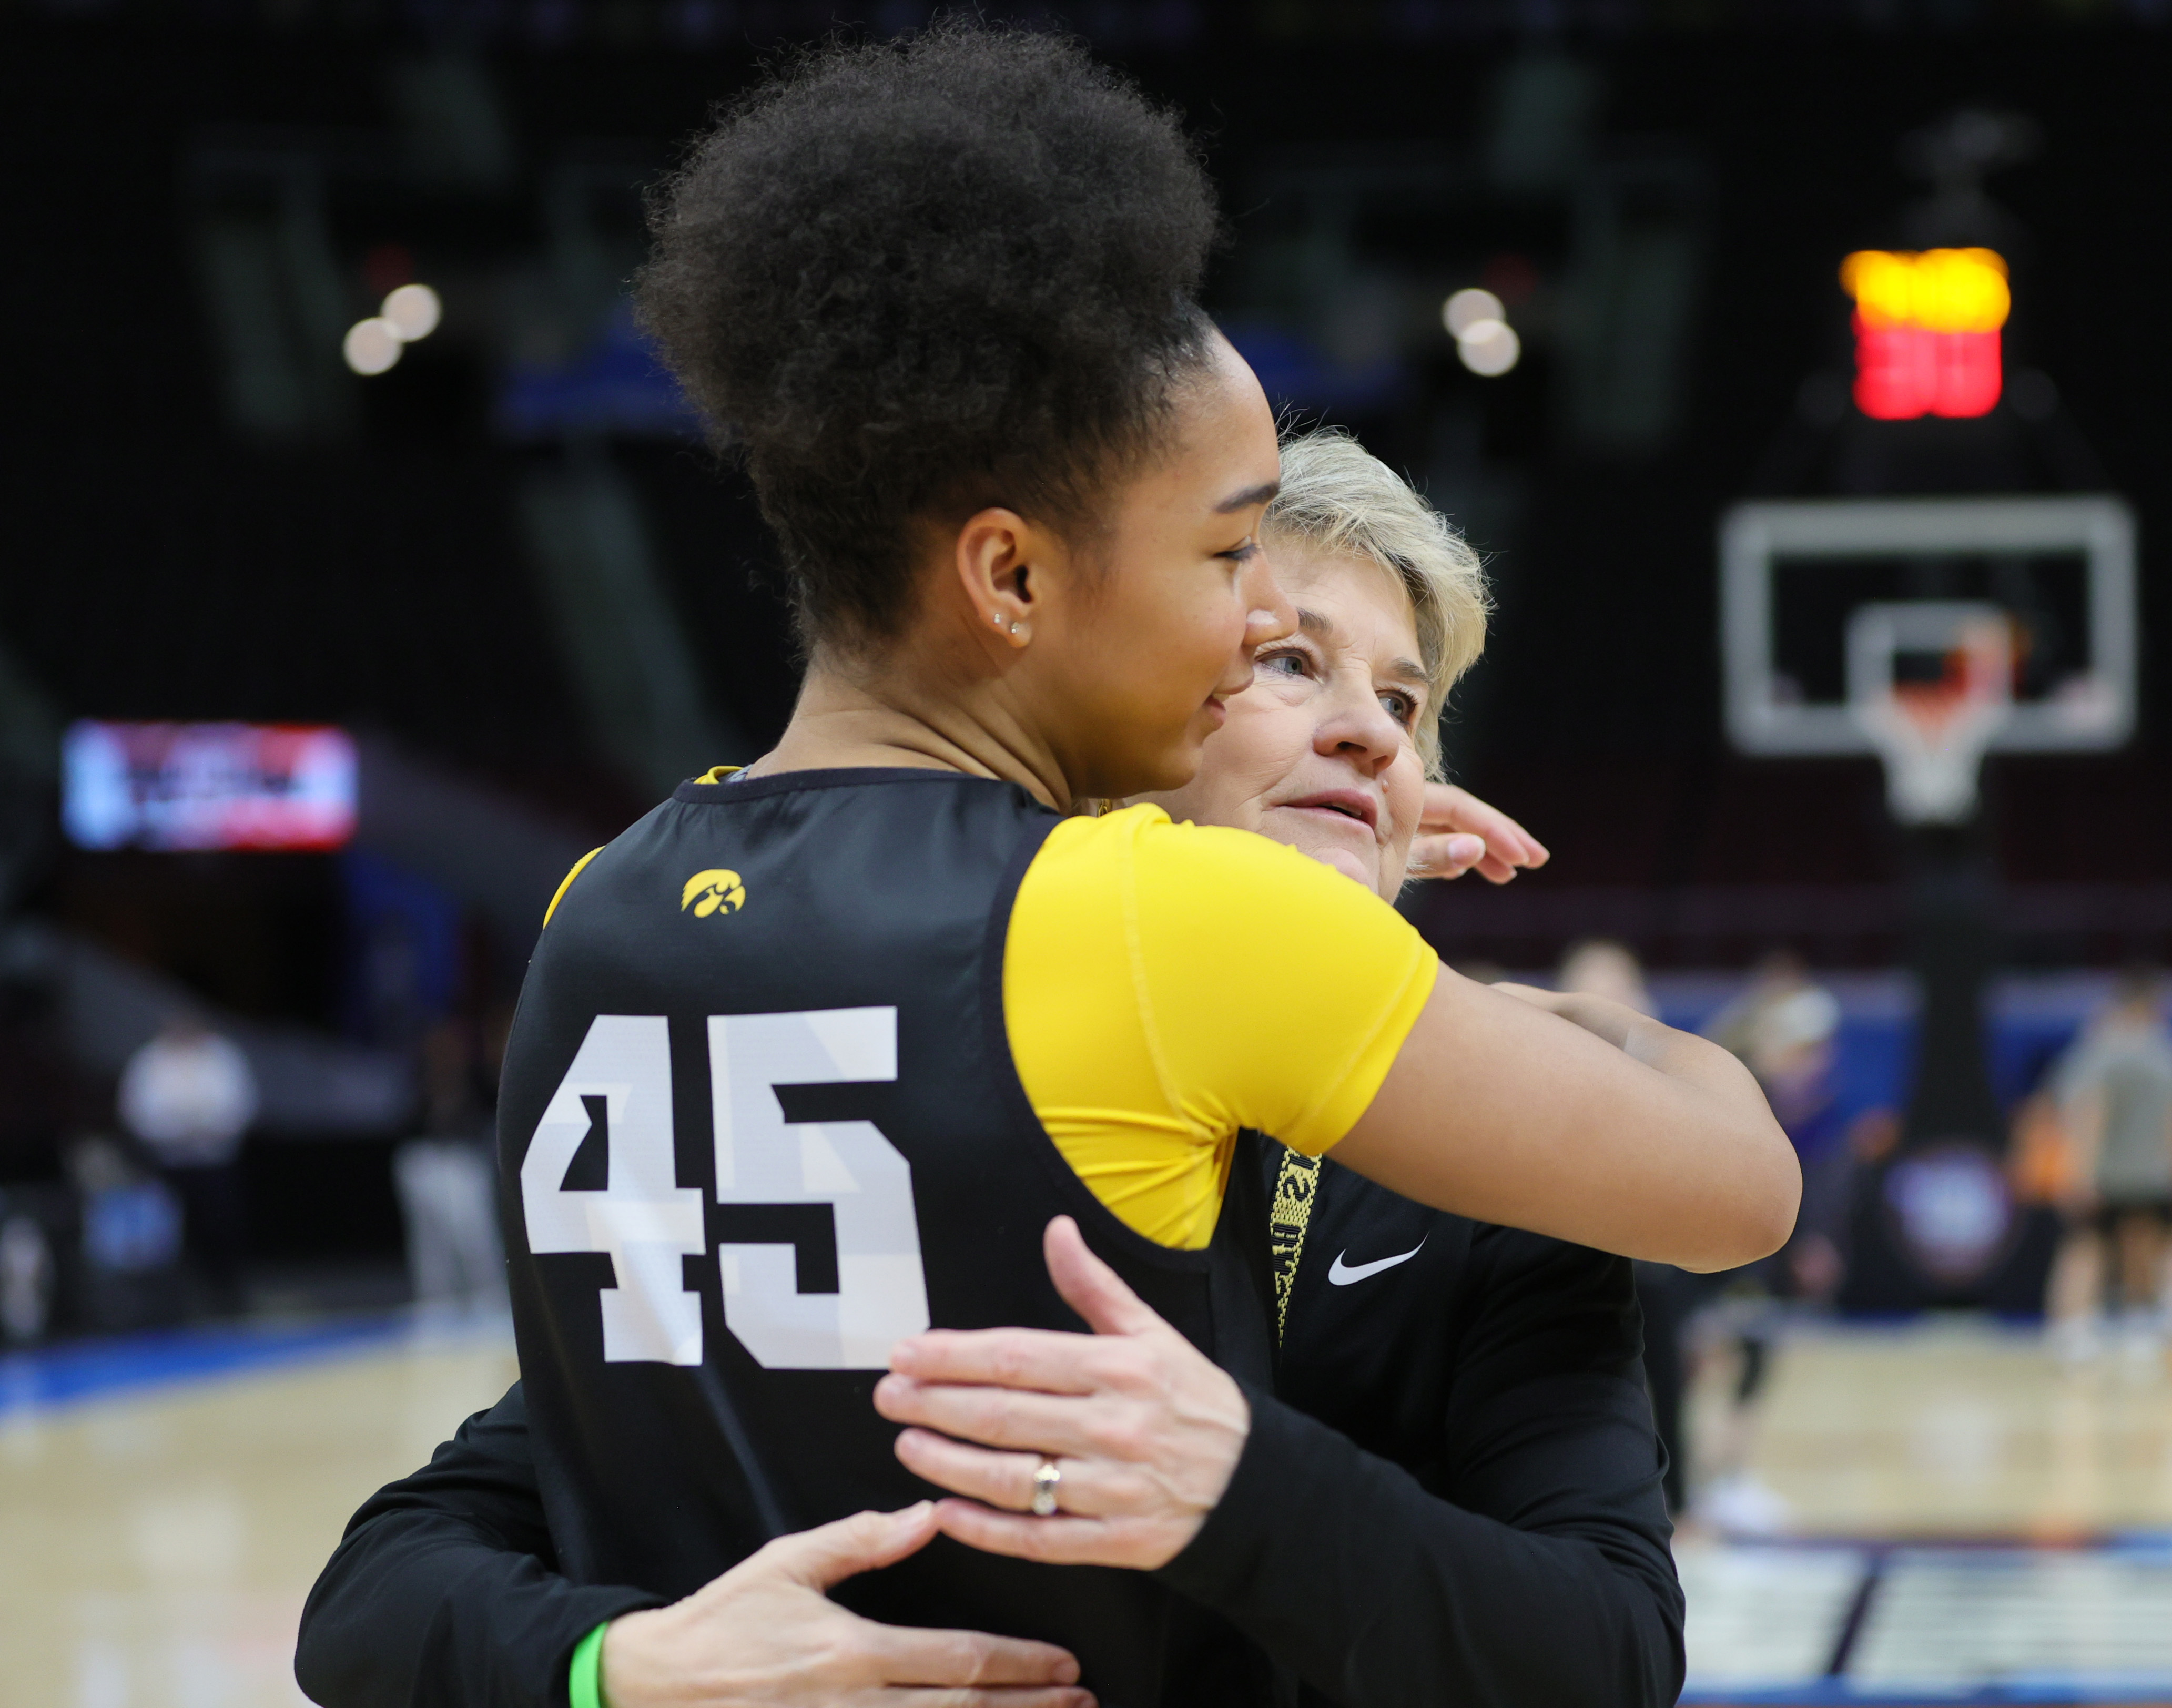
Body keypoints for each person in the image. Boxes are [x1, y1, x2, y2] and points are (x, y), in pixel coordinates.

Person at [299, 28, 1794, 1708]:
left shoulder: (597, 909)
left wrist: (603, 1665)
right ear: (1010, 576)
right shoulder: (1143, 926)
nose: (1252, 639)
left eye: (1401, 700)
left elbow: (406, 1576)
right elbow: (1737, 1184)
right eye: (1246, 588)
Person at [2045, 968, 2172, 1359]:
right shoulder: (2161, 1055)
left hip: (2105, 1171)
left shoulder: (2100, 1052)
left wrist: (2080, 1169)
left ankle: (2071, 1331)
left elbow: (2089, 1111)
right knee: (2145, 1250)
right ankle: (2142, 1328)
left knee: (2085, 1249)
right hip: (2150, 1173)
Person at [116, 1010, 258, 1310]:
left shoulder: (222, 1057)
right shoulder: (150, 1061)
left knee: (221, 1226)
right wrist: (175, 1129)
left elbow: (239, 1104)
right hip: (169, 1162)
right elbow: (137, 1112)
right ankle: (176, 1300)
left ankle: (227, 1292)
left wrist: (208, 1126)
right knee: (169, 1233)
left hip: (215, 1161)